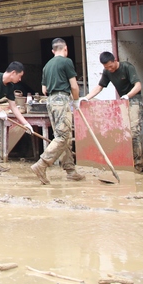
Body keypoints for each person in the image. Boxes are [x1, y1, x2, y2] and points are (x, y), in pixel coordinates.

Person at [31, 38, 85, 184]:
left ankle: (71, 170)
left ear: (53, 51)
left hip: (50, 101)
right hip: (62, 100)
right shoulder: (66, 62)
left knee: (64, 137)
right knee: (62, 137)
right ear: (65, 48)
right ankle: (41, 164)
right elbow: (74, 86)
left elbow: (44, 89)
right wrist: (76, 100)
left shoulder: (47, 66)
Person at [85, 51, 143, 172]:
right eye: (106, 67)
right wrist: (86, 97)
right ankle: (127, 163)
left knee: (134, 132)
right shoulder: (107, 72)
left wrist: (128, 96)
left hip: (134, 100)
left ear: (114, 60)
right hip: (122, 103)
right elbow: (100, 86)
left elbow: (138, 85)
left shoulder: (127, 67)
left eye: (110, 66)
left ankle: (139, 165)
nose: (109, 69)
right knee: (123, 133)